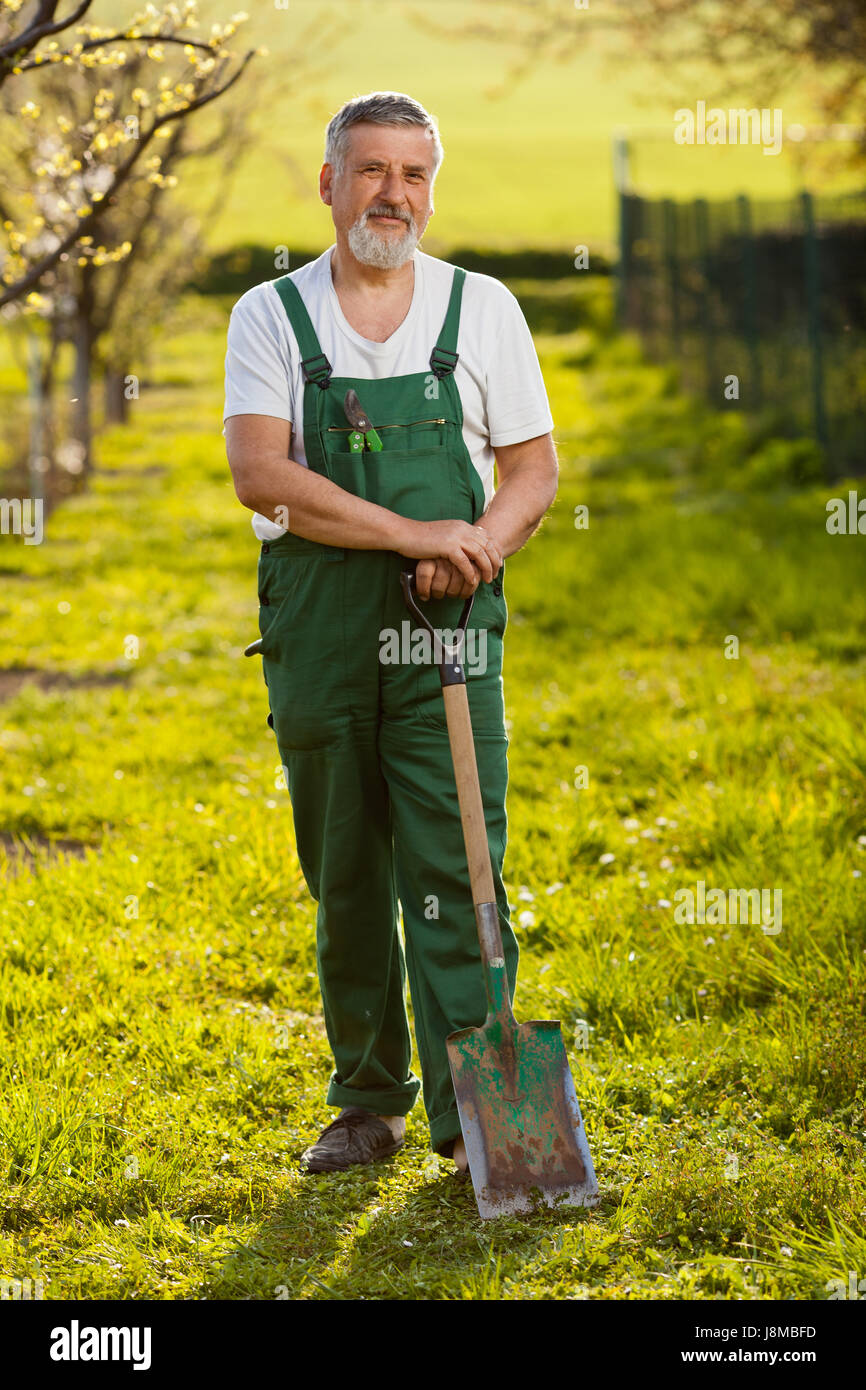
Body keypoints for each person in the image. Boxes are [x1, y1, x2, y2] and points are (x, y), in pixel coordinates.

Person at [223, 91, 557, 1178]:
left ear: (431, 187)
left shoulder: (482, 308)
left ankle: (491, 1128)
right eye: (370, 170)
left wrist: (475, 546)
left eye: (412, 174)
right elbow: (263, 477)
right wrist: (411, 526)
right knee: (347, 875)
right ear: (327, 184)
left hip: (447, 633)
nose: (392, 194)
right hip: (321, 634)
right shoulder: (272, 315)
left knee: (462, 868)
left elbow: (530, 472)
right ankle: (366, 1103)